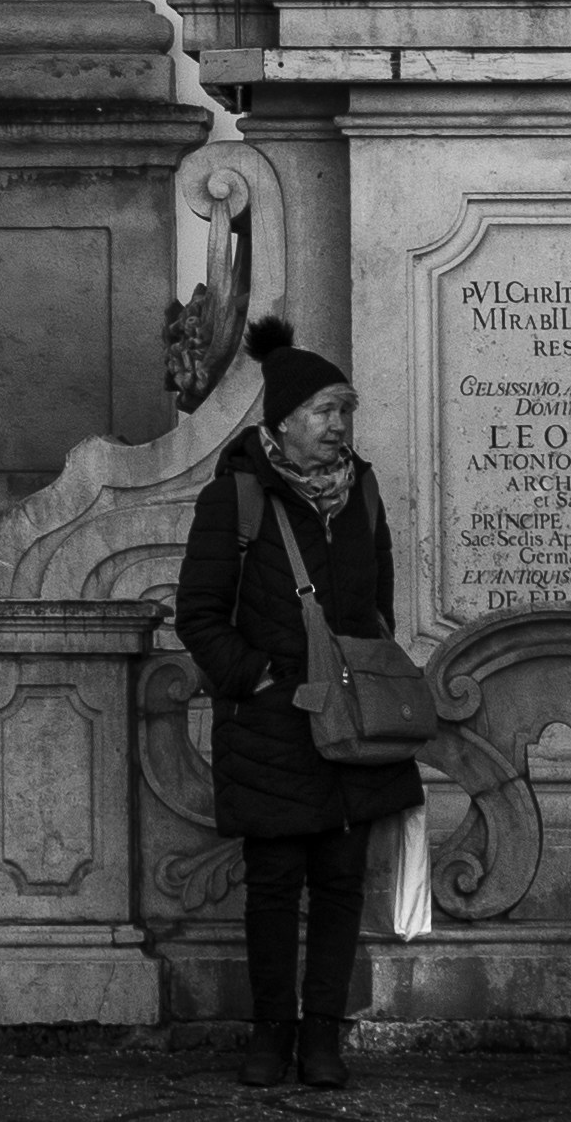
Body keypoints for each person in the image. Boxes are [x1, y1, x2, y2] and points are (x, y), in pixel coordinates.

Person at [170, 318, 426, 1090]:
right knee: (276, 884)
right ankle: (268, 1033)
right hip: (274, 728)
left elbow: (374, 610)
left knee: (343, 883)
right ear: (282, 420)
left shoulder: (364, 493)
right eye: (324, 410)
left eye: (345, 409)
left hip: (352, 729)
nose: (339, 425)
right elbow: (198, 613)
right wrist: (255, 680)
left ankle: (323, 1037)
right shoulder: (236, 497)